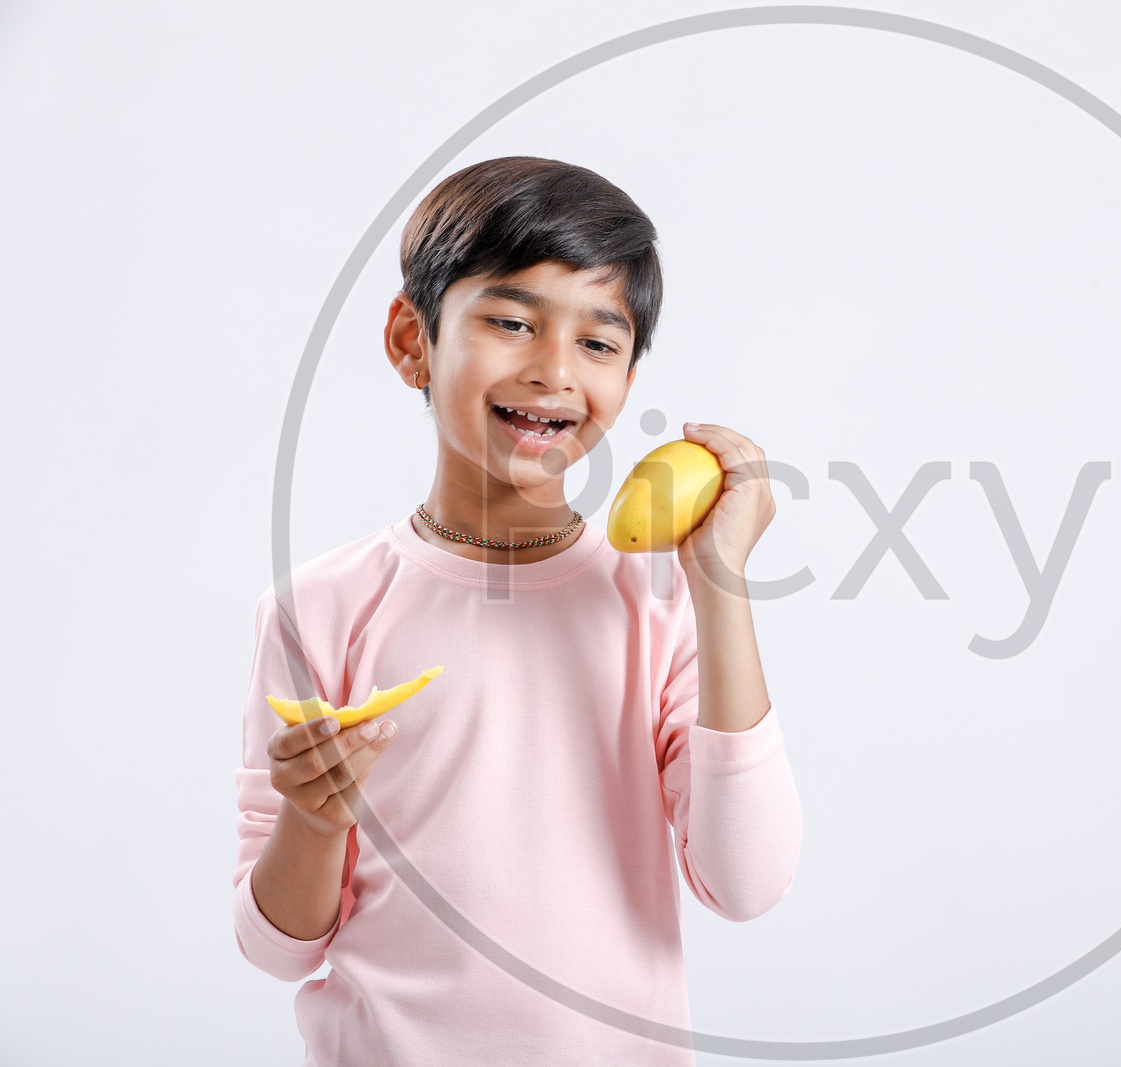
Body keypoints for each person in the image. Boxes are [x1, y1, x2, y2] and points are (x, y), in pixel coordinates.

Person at [231, 156, 803, 1065]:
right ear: (411, 339)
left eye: (599, 342)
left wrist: (721, 583)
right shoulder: (318, 607)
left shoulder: (661, 599)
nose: (553, 371)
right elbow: (277, 946)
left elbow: (746, 882)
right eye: (510, 322)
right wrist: (313, 818)